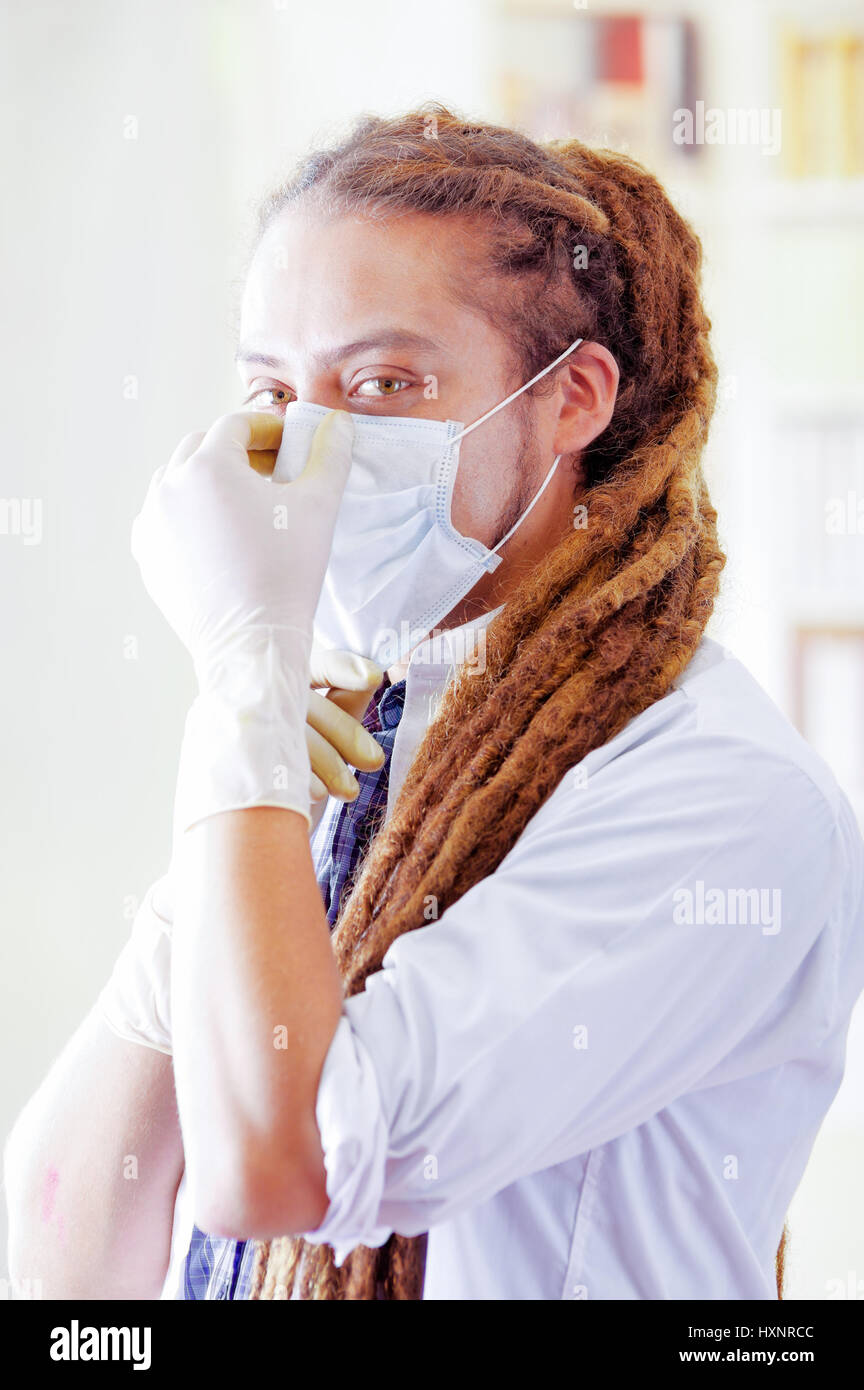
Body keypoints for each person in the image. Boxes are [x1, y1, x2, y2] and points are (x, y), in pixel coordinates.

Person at [6, 105, 864, 1302]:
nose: (309, 438)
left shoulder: (723, 794)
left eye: (385, 380)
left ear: (572, 401)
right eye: (271, 385)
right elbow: (63, 1272)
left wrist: (246, 676)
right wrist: (194, 876)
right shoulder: (329, 751)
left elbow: (280, 1161)